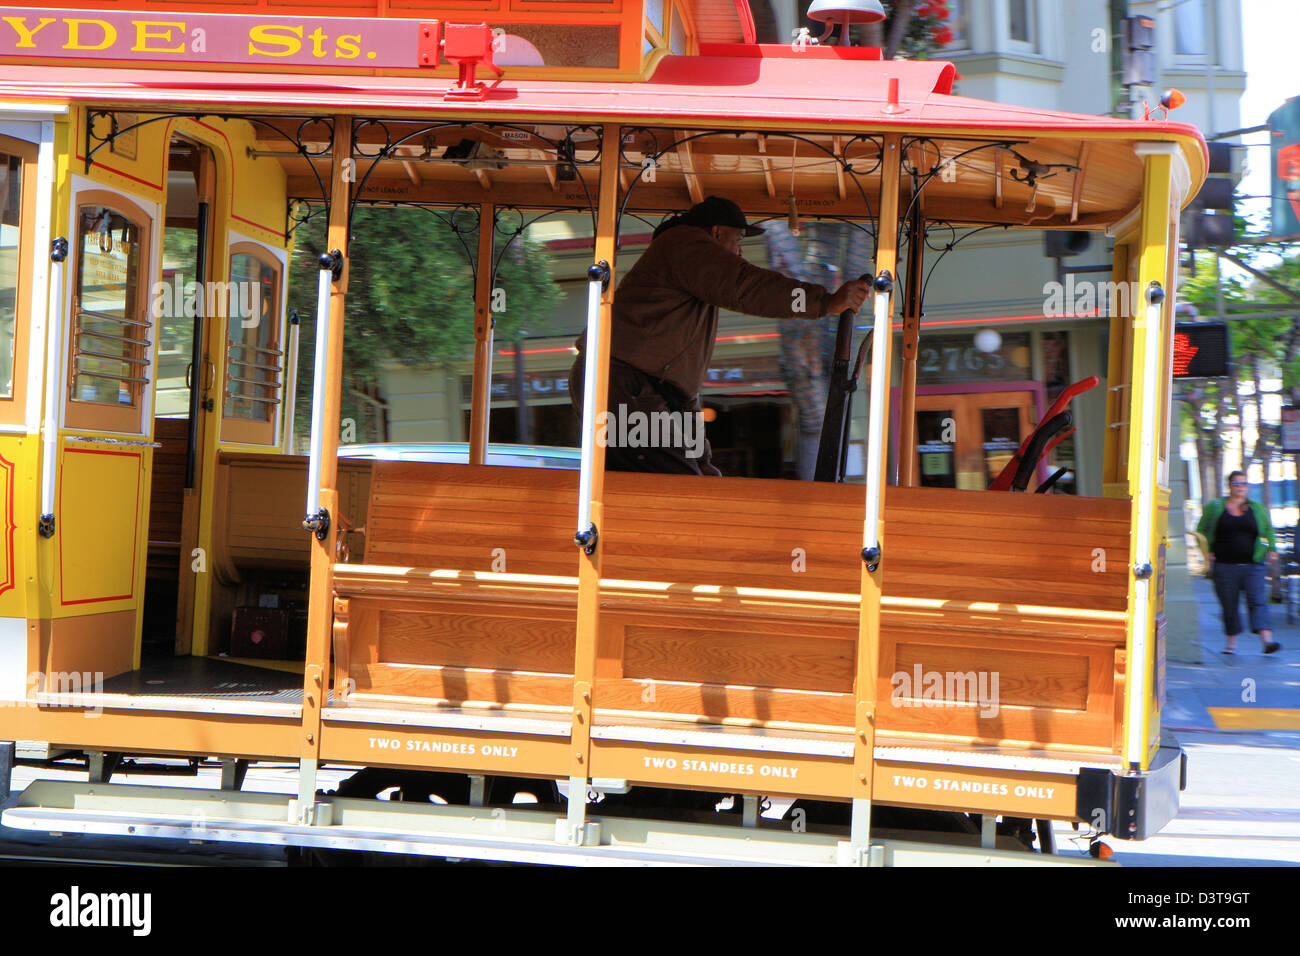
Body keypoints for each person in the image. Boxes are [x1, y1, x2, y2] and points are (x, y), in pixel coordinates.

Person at [569, 196, 871, 475]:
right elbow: (747, 287)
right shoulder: (685, 244)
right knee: (676, 487)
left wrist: (702, 460)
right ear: (715, 233)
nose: (740, 251)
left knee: (673, 482)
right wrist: (824, 302)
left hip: (622, 382)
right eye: (737, 239)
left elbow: (680, 393)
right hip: (620, 381)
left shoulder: (684, 275)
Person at [1196, 471, 1283, 655]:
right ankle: (1231, 644)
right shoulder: (1216, 506)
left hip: (1253, 564)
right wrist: (1207, 550)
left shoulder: (1256, 508)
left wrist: (1271, 549)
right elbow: (1201, 530)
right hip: (1225, 565)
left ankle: (1267, 642)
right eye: (1236, 484)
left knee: (1258, 600)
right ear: (1230, 486)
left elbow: (1267, 531)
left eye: (1244, 484)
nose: (1240, 487)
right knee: (1229, 604)